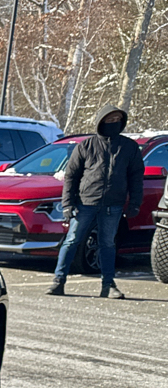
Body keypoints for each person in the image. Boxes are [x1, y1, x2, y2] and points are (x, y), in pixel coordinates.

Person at [48, 103, 142, 298]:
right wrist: (67, 204)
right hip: (85, 203)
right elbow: (71, 176)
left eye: (118, 120)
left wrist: (134, 203)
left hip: (113, 205)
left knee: (107, 244)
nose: (114, 123)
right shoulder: (86, 146)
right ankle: (58, 281)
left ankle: (108, 285)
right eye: (110, 120)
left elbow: (136, 177)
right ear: (101, 121)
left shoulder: (129, 147)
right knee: (72, 241)